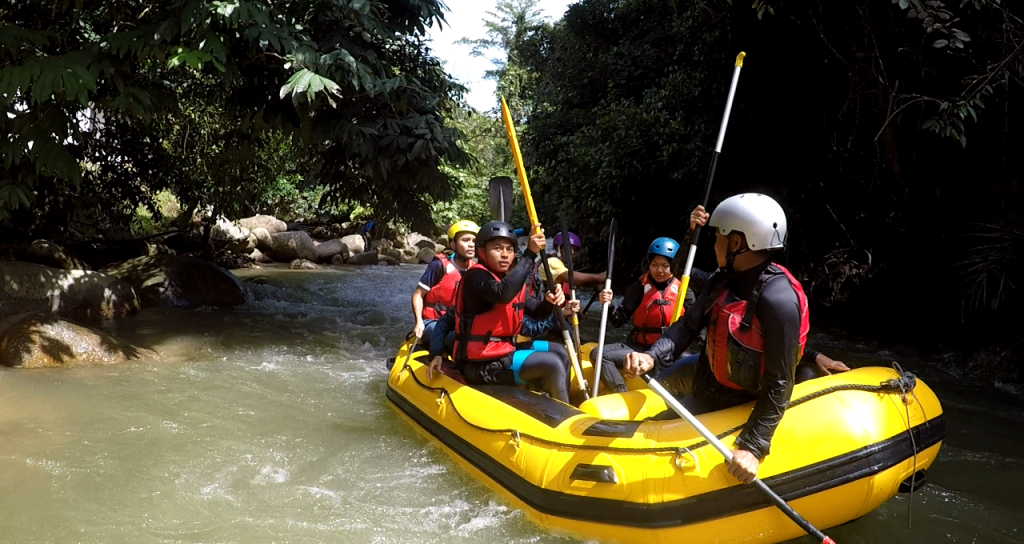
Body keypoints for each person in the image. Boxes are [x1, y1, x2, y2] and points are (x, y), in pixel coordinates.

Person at [621, 193, 809, 485]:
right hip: (709, 388)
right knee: (649, 434)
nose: (715, 243)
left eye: (718, 237)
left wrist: (754, 446)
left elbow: (780, 383)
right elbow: (687, 326)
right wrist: (651, 356)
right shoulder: (721, 280)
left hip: (745, 402)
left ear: (737, 243)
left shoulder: (779, 300)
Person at [427, 221, 573, 404]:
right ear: (482, 253)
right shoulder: (476, 277)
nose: (504, 254)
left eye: (509, 250)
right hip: (480, 365)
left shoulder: (511, 281)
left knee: (559, 351)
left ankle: (548, 402)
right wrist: (436, 353)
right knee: (552, 363)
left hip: (504, 353)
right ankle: (562, 414)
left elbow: (537, 312)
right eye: (497, 248)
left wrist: (549, 302)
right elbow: (501, 294)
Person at [589, 237, 686, 393]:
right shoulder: (638, 288)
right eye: (654, 265)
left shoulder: (684, 290)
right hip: (640, 347)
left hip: (670, 351)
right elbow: (618, 320)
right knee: (598, 354)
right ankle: (621, 393)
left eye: (665, 266)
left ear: (673, 266)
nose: (659, 270)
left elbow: (695, 325)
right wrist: (608, 305)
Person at [410, 220, 478, 341]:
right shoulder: (439, 266)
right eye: (465, 240)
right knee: (458, 340)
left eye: (474, 240)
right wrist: (419, 322)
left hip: (457, 323)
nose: (471, 244)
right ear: (453, 245)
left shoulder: (475, 270)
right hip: (432, 322)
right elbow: (418, 295)